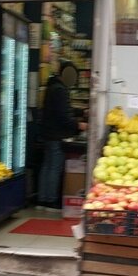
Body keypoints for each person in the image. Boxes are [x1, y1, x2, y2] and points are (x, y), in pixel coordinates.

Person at [37, 61, 87, 210]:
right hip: (56, 134)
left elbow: (62, 110)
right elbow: (63, 116)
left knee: (47, 166)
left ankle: (42, 199)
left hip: (48, 133)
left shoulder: (52, 86)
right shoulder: (60, 90)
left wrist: (80, 112)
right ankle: (51, 200)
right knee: (54, 167)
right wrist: (79, 125)